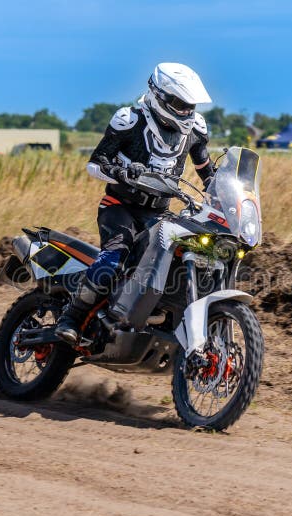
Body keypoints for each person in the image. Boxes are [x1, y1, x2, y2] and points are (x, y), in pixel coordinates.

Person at [55, 63, 215, 344]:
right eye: (179, 103)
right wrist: (120, 172)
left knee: (171, 264)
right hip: (120, 207)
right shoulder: (129, 120)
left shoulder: (195, 130)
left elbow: (206, 172)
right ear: (158, 95)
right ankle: (72, 316)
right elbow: (95, 163)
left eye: (189, 104)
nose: (186, 110)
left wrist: (222, 196)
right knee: (114, 258)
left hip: (160, 215)